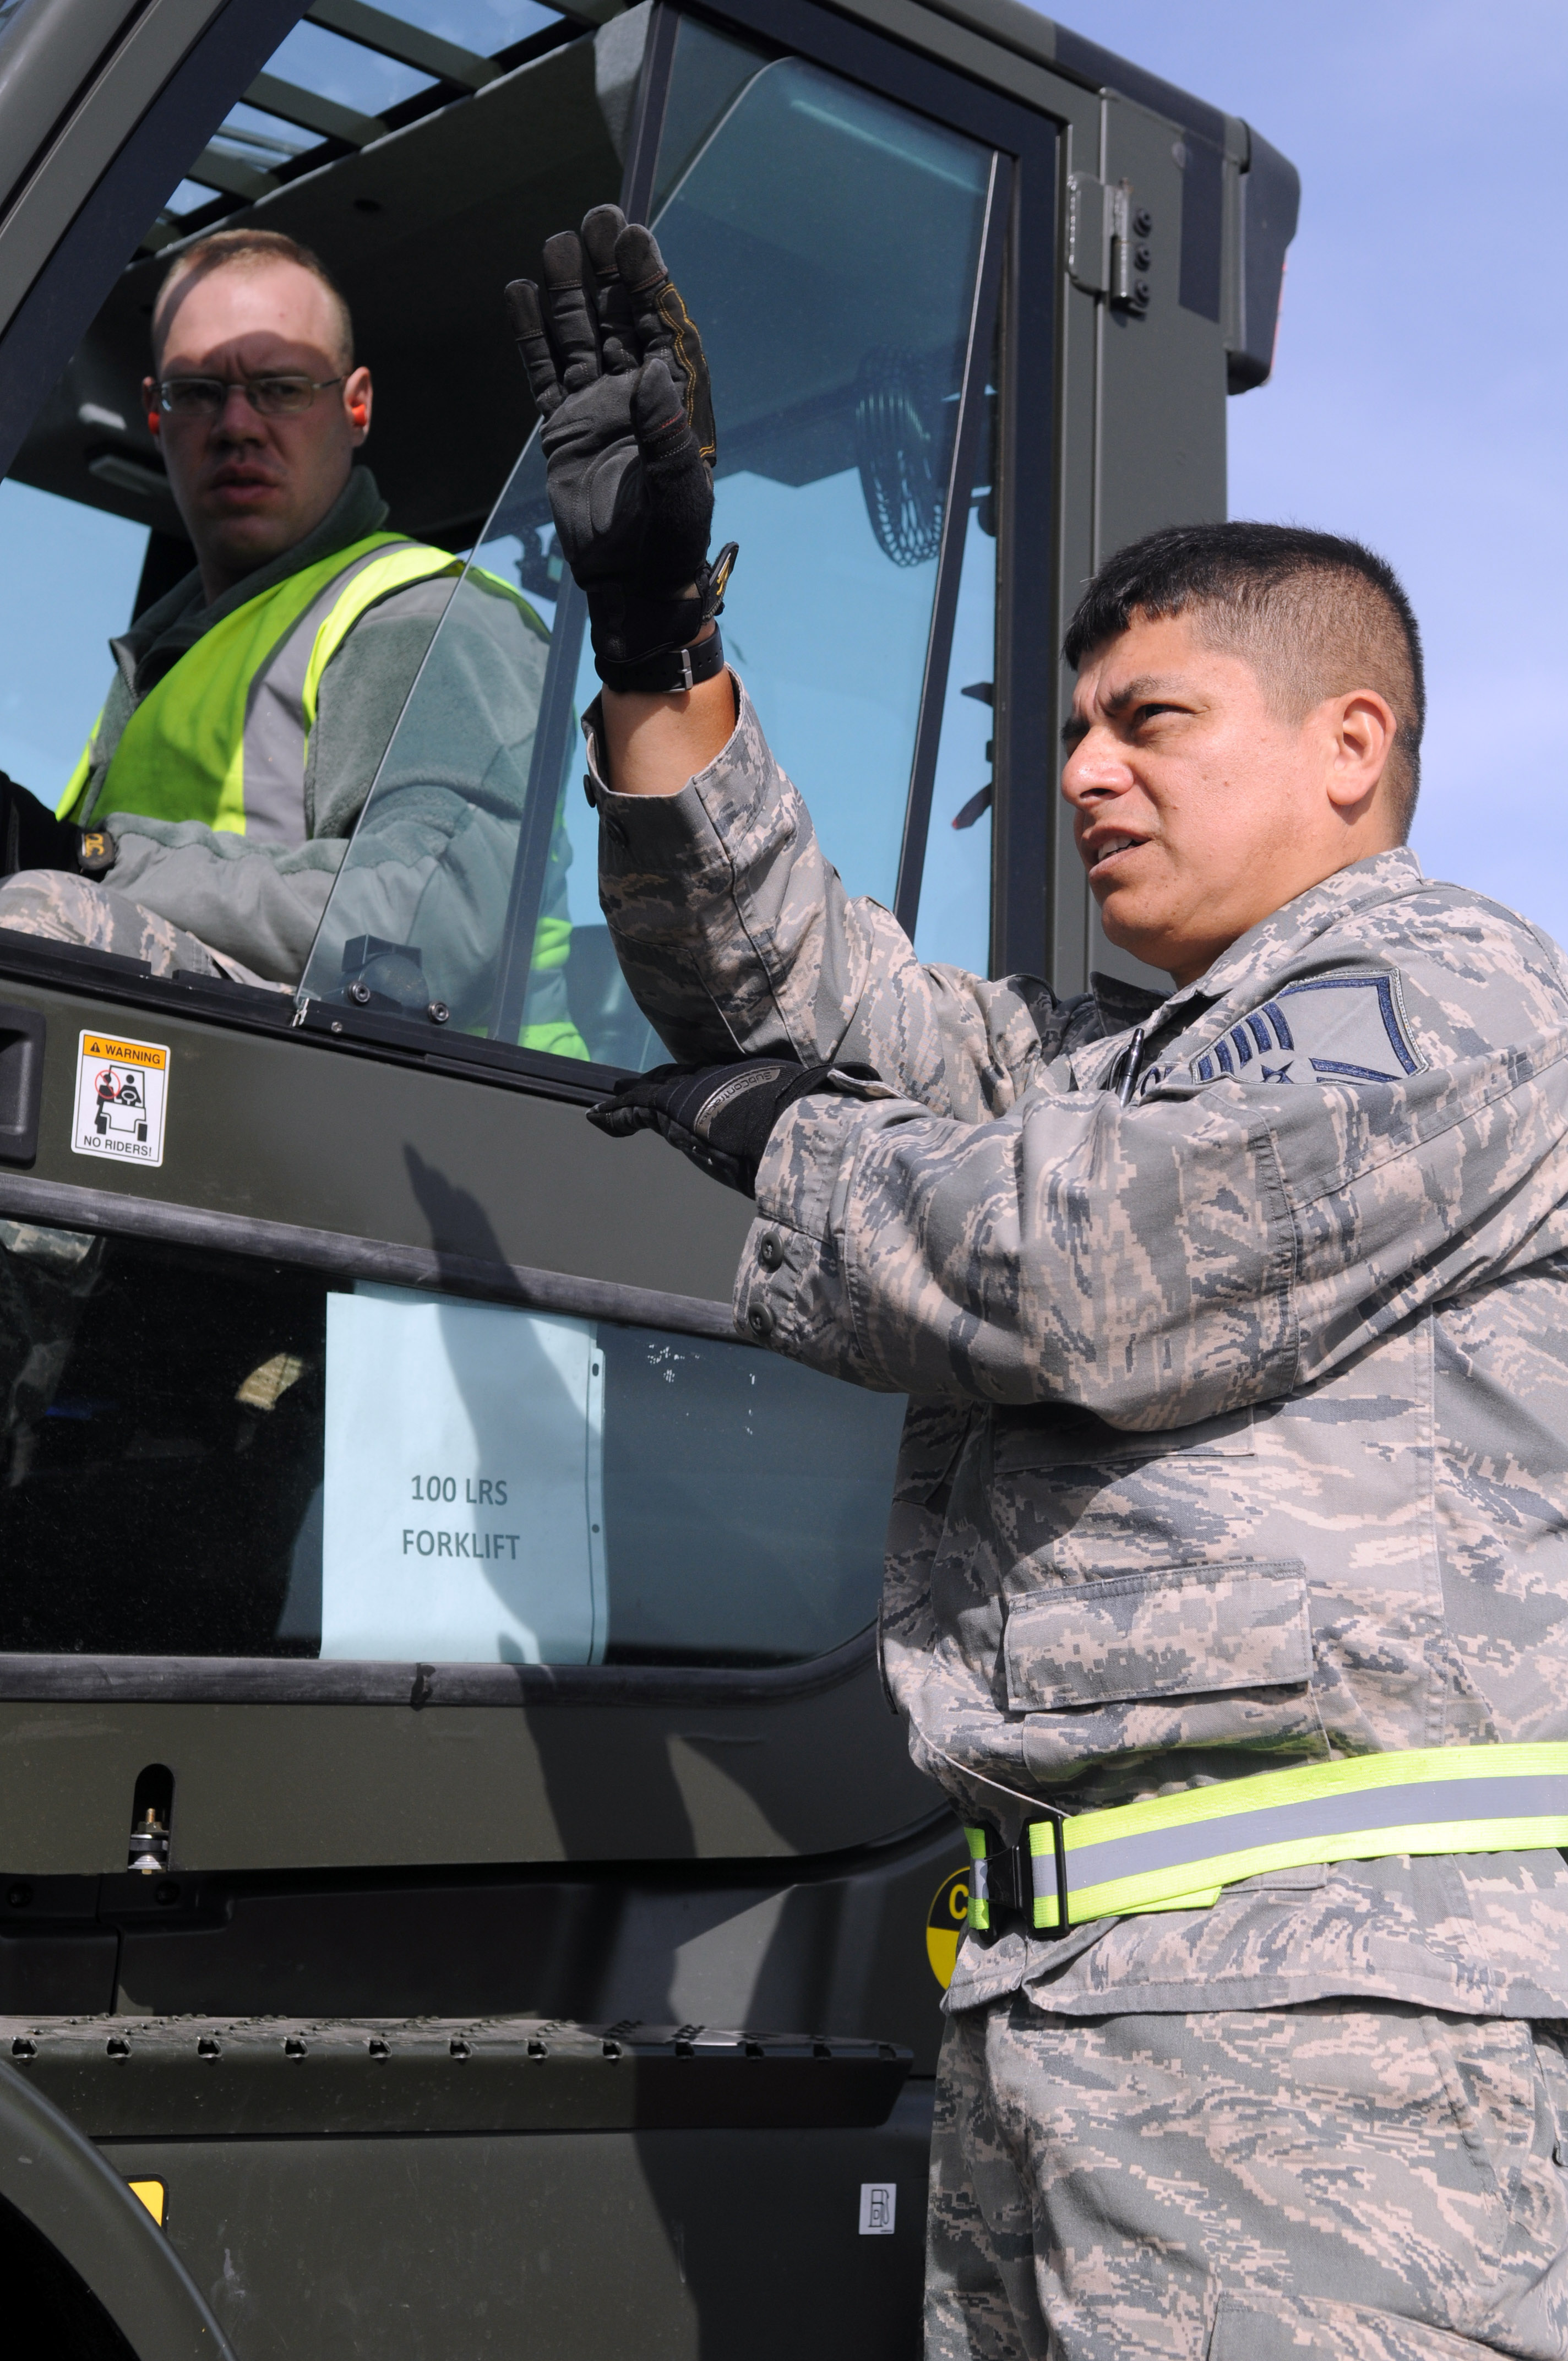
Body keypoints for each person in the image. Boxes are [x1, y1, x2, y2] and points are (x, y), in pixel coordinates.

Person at [515, 213, 1568, 2358]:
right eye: (1075, 723)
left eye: (1150, 720)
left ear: (1349, 749)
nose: (1080, 770)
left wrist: (787, 1149)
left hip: (1324, 2051)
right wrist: (651, 641)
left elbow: (1083, 1264)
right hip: (1087, 2007)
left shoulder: (1442, 993)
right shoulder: (1132, 1063)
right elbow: (804, 997)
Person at [0, 226, 581, 1048]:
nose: (237, 423)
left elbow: (427, 937)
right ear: (154, 413)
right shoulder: (167, 660)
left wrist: (87, 856)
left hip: (455, 1148)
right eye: (199, 390)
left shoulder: (426, 620)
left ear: (355, 405)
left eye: (280, 388)